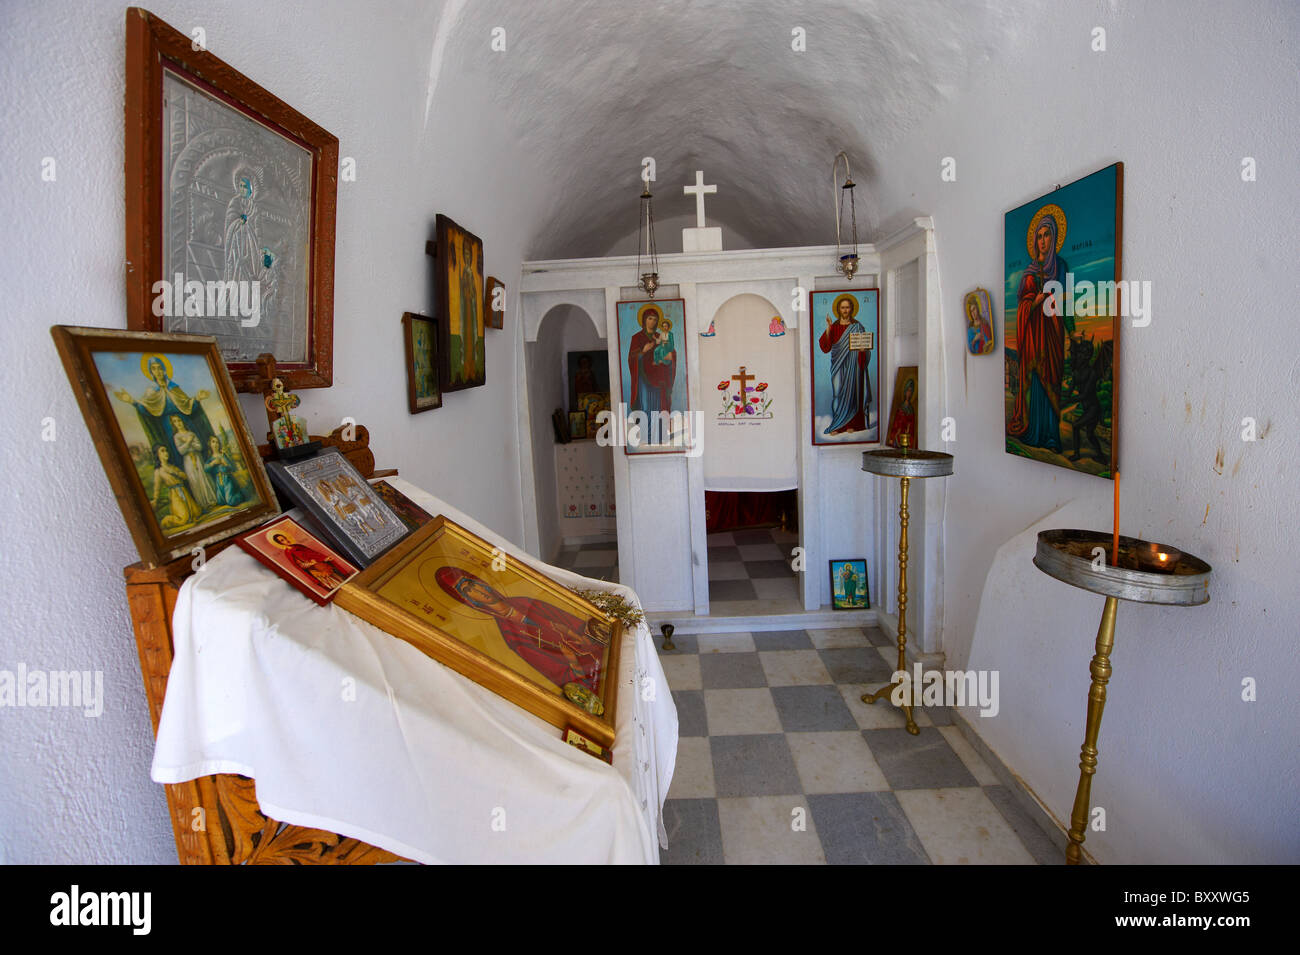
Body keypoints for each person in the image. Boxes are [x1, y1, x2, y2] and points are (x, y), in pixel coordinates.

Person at [433, 566, 606, 692]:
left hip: (599, 650)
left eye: (474, 583)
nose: (478, 589)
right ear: (468, 600)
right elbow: (553, 671)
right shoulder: (511, 635)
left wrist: (580, 636)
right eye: (468, 590)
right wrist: (572, 660)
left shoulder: (523, 601)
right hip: (589, 673)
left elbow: (573, 621)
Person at [1008, 211, 1070, 451]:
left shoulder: (1061, 266)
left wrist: (1052, 301)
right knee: (1036, 380)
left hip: (1052, 333)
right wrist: (1036, 300)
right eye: (1039, 236)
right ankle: (1034, 432)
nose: (1043, 240)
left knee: (1052, 377)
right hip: (1034, 337)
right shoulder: (1029, 271)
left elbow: (1065, 300)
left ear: (1054, 238)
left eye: (1047, 235)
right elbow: (1022, 304)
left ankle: (1052, 436)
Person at [113, 354, 217, 467]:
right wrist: (132, 401)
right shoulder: (151, 391)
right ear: (151, 372)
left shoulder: (174, 387)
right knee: (177, 454)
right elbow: (146, 409)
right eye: (154, 368)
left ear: (164, 370)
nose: (157, 371)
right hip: (169, 427)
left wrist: (197, 399)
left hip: (186, 423)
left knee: (197, 449)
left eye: (159, 368)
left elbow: (188, 406)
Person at [818, 293, 872, 435]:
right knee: (838, 394)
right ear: (839, 309)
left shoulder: (857, 327)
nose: (845, 310)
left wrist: (862, 351)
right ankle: (837, 425)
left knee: (853, 394)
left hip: (854, 366)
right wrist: (829, 328)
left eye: (847, 307)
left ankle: (853, 424)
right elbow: (825, 347)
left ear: (851, 309)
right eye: (842, 308)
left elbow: (865, 347)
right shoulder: (834, 327)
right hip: (838, 366)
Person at [626, 304, 676, 444]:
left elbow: (671, 352)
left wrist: (669, 355)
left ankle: (659, 436)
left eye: (655, 319)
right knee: (646, 407)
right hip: (643, 378)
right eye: (649, 318)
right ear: (644, 320)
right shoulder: (636, 338)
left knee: (658, 407)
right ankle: (646, 437)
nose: (652, 322)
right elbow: (631, 358)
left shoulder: (661, 336)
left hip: (658, 379)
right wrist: (643, 350)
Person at [270, 530, 351, 591]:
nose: (286, 540)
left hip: (320, 564)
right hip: (315, 570)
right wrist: (310, 564)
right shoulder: (288, 553)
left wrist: (323, 558)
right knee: (335, 586)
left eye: (284, 538)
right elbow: (300, 565)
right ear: (280, 543)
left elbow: (312, 553)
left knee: (341, 580)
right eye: (282, 540)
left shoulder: (298, 545)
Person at [170, 414, 217, 510]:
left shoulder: (191, 433)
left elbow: (199, 447)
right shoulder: (177, 436)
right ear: (173, 424)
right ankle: (203, 504)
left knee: (203, 476)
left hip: (197, 458)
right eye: (175, 421)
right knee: (194, 480)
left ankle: (211, 500)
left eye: (179, 420)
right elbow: (181, 451)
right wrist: (189, 442)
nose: (178, 423)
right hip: (188, 461)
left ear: (182, 421)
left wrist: (189, 442)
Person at [150, 445, 201, 531]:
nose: (166, 453)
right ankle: (165, 521)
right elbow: (157, 488)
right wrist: (155, 499)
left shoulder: (172, 466)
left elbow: (184, 476)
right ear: (157, 455)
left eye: (166, 450)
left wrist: (174, 472)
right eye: (162, 451)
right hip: (175, 494)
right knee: (184, 519)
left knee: (196, 513)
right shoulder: (158, 471)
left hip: (183, 491)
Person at [203, 435, 245, 508]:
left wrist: (224, 463)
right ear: (209, 444)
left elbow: (232, 467)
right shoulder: (210, 459)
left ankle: (240, 495)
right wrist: (213, 463)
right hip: (219, 481)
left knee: (230, 501)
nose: (216, 444)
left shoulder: (222, 455)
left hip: (227, 479)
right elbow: (206, 469)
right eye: (213, 442)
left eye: (217, 442)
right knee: (221, 502)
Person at [886, 377, 917, 448]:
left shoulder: (911, 408)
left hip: (908, 434)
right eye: (908, 390)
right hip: (899, 433)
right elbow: (896, 423)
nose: (909, 393)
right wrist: (893, 436)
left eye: (911, 391)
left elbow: (912, 423)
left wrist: (909, 427)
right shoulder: (900, 407)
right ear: (905, 391)